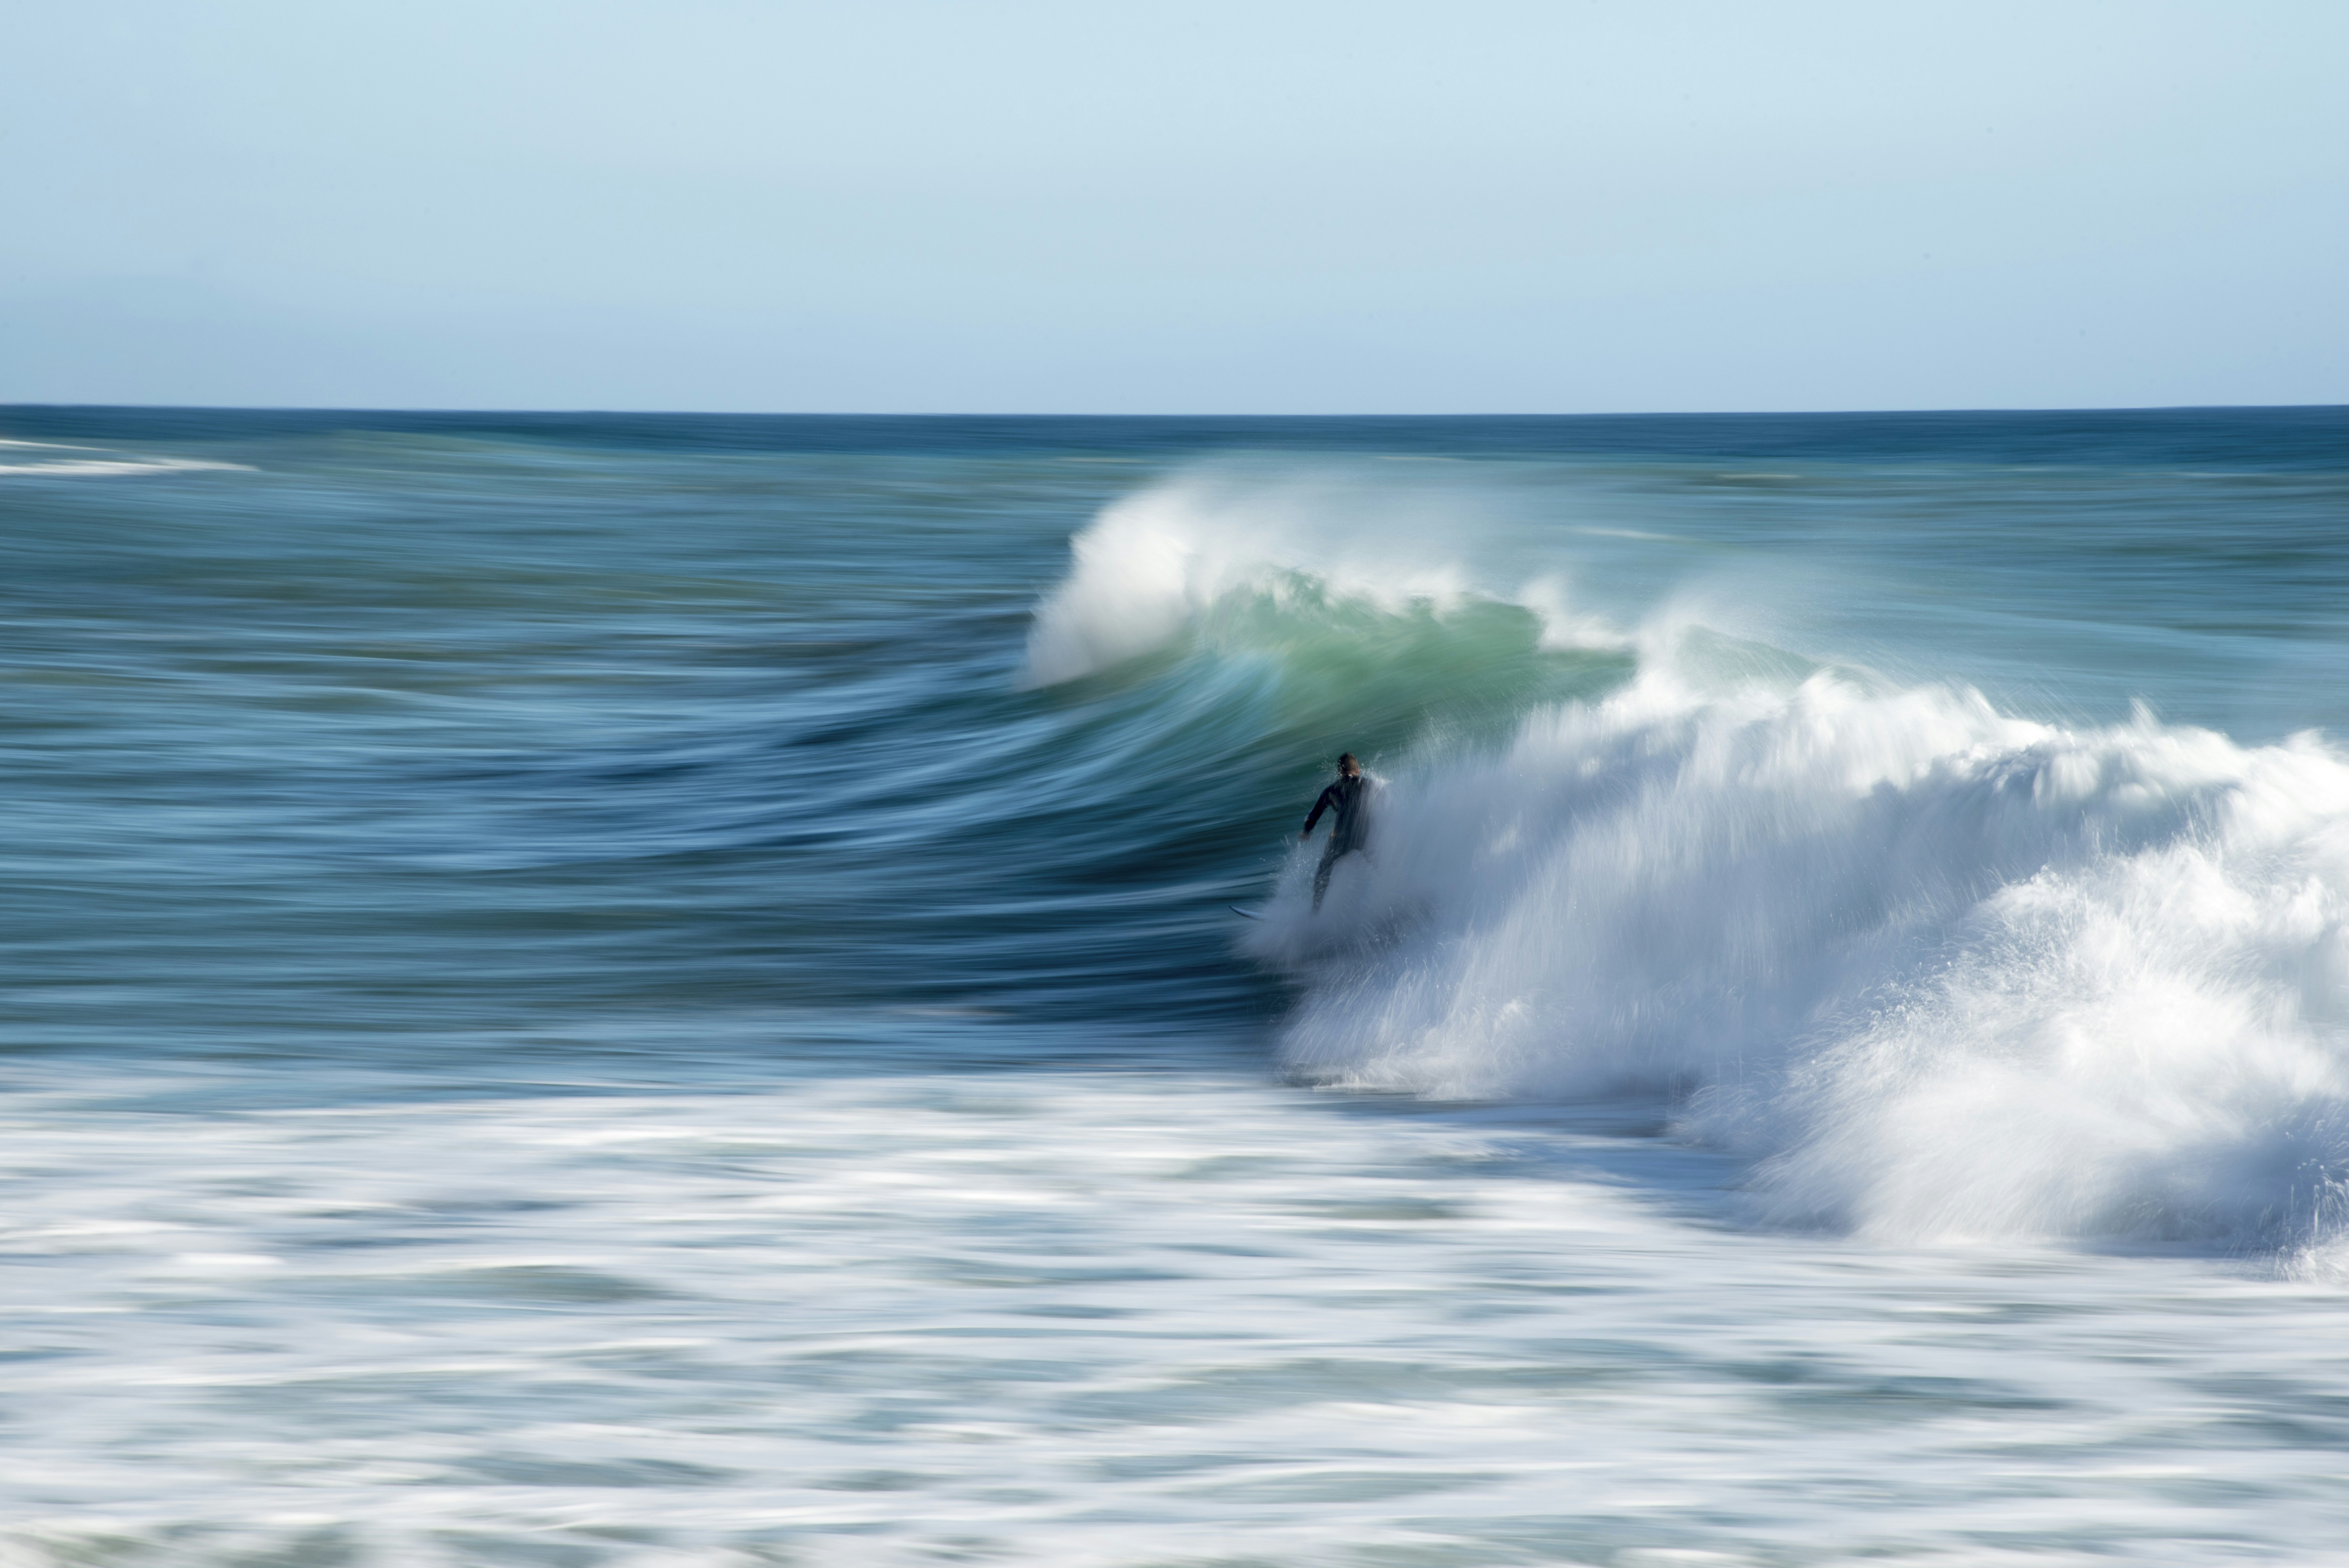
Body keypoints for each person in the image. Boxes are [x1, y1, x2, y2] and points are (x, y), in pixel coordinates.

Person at [1300, 753, 1370, 912]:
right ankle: (1400, 893)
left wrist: (1307, 832)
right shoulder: (1370, 785)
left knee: (1323, 873)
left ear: (1339, 772)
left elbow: (1314, 815)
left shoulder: (1332, 790)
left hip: (1340, 838)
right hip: (1363, 836)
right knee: (1380, 865)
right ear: (1357, 769)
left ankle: (1316, 911)